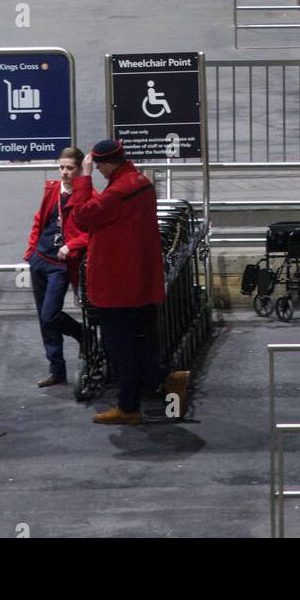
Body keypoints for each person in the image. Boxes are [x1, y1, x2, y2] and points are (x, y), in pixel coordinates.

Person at [71, 139, 189, 425]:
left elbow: (81, 216)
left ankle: (130, 405)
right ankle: (166, 379)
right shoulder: (141, 183)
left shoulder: (119, 192)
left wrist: (83, 178)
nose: (97, 169)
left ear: (110, 163)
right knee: (132, 342)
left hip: (117, 283)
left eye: (98, 165)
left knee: (118, 345)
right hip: (137, 280)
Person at [24, 147, 89, 387]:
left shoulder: (88, 195)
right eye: (61, 167)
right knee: (44, 318)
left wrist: (72, 245)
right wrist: (31, 252)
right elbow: (39, 220)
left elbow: (92, 232)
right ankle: (56, 368)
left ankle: (83, 334)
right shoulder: (52, 190)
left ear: (80, 169)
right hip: (41, 258)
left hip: (61, 265)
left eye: (70, 168)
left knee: (50, 314)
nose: (64, 172)